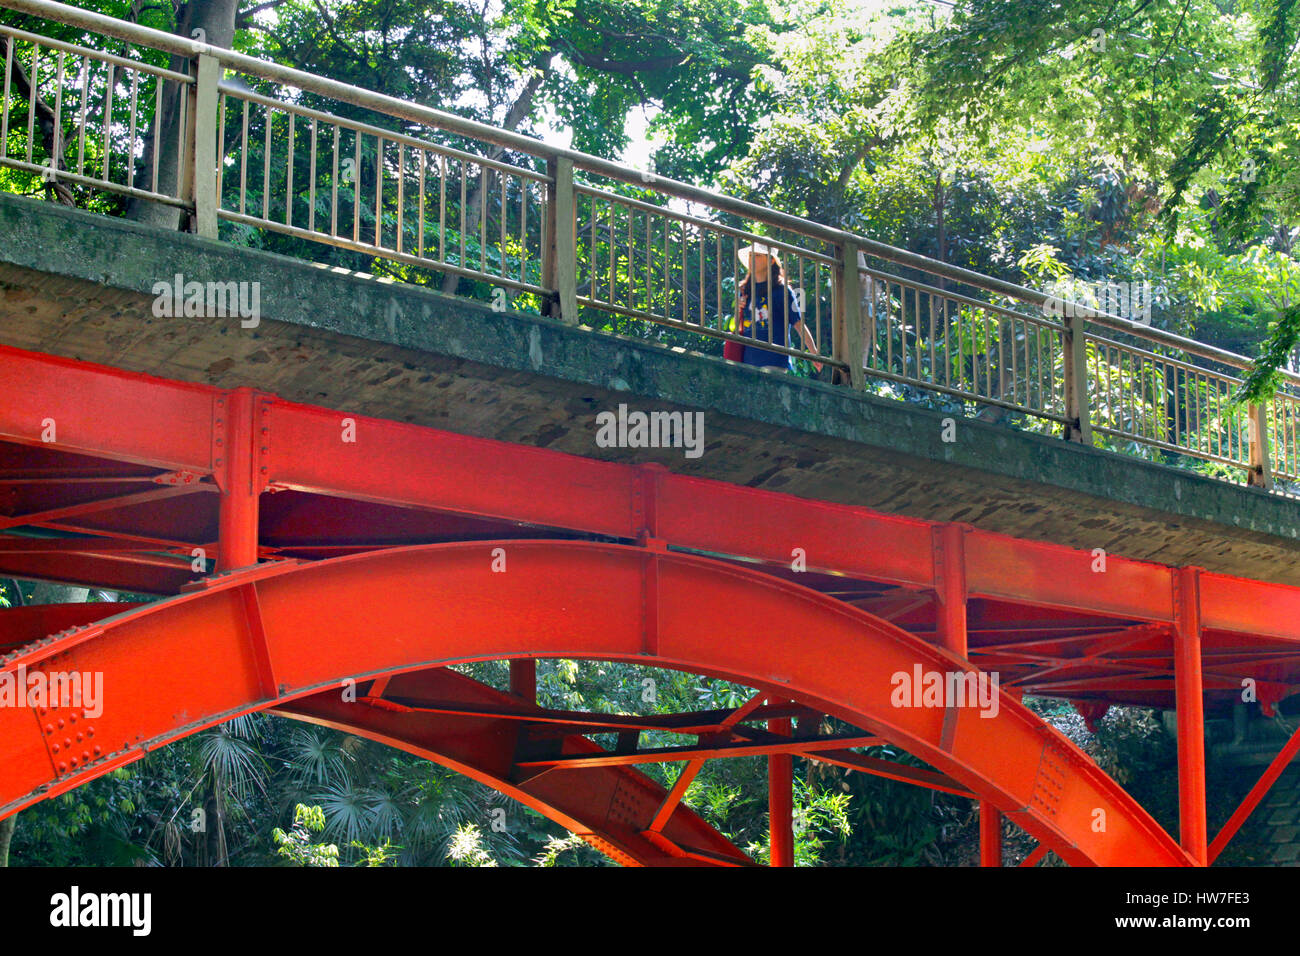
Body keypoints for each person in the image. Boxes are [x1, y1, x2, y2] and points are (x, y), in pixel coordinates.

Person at [728, 243, 823, 373]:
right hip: (748, 360)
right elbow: (739, 328)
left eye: (758, 255)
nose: (752, 259)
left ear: (771, 260)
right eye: (751, 255)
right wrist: (739, 309)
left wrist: (814, 353)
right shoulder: (745, 289)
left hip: (774, 360)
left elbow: (798, 323)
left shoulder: (782, 290)